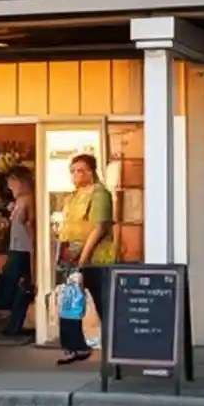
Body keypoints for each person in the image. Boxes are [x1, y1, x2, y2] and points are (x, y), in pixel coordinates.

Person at [56, 154, 115, 327]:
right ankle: (75, 346)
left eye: (80, 171)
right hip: (70, 254)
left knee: (102, 302)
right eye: (73, 171)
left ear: (91, 172)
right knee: (70, 301)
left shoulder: (99, 193)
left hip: (94, 258)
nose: (75, 174)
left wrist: (83, 258)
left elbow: (99, 227)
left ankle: (112, 342)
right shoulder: (74, 195)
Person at [0, 166, 35, 337]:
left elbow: (31, 225)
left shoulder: (28, 200)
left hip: (23, 250)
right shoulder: (19, 201)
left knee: (11, 284)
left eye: (12, 183)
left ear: (20, 181)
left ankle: (15, 324)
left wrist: (35, 250)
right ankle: (14, 324)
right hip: (17, 248)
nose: (9, 187)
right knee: (21, 287)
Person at [56, 271, 92, 363]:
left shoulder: (78, 275)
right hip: (67, 304)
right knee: (67, 327)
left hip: (72, 305)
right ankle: (72, 350)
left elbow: (81, 288)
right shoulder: (68, 273)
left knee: (72, 327)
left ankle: (77, 349)